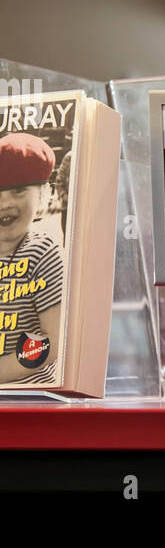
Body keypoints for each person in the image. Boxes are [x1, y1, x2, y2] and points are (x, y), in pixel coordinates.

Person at [0, 133, 64, 386]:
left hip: (31, 396)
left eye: (18, 191)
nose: (4, 203)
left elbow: (53, 341)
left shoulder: (42, 252)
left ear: (44, 195)